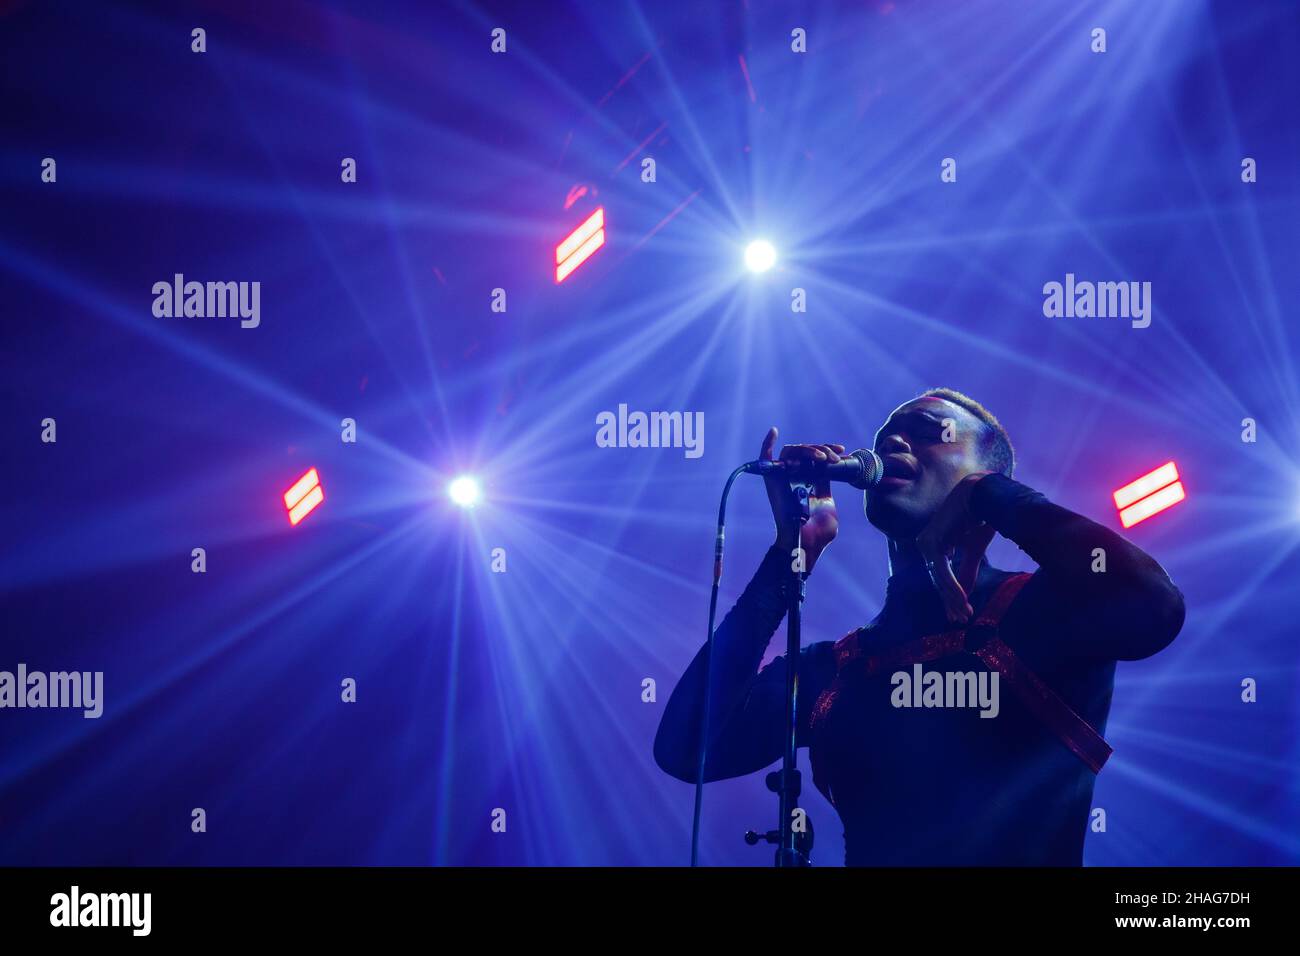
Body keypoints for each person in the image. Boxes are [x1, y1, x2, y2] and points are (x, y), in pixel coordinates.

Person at [653, 388, 1185, 865]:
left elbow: (1154, 605)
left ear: (989, 475)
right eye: (886, 437)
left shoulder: (1044, 611)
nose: (895, 444)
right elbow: (687, 749)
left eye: (933, 434)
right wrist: (788, 555)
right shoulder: (835, 669)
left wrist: (990, 497)